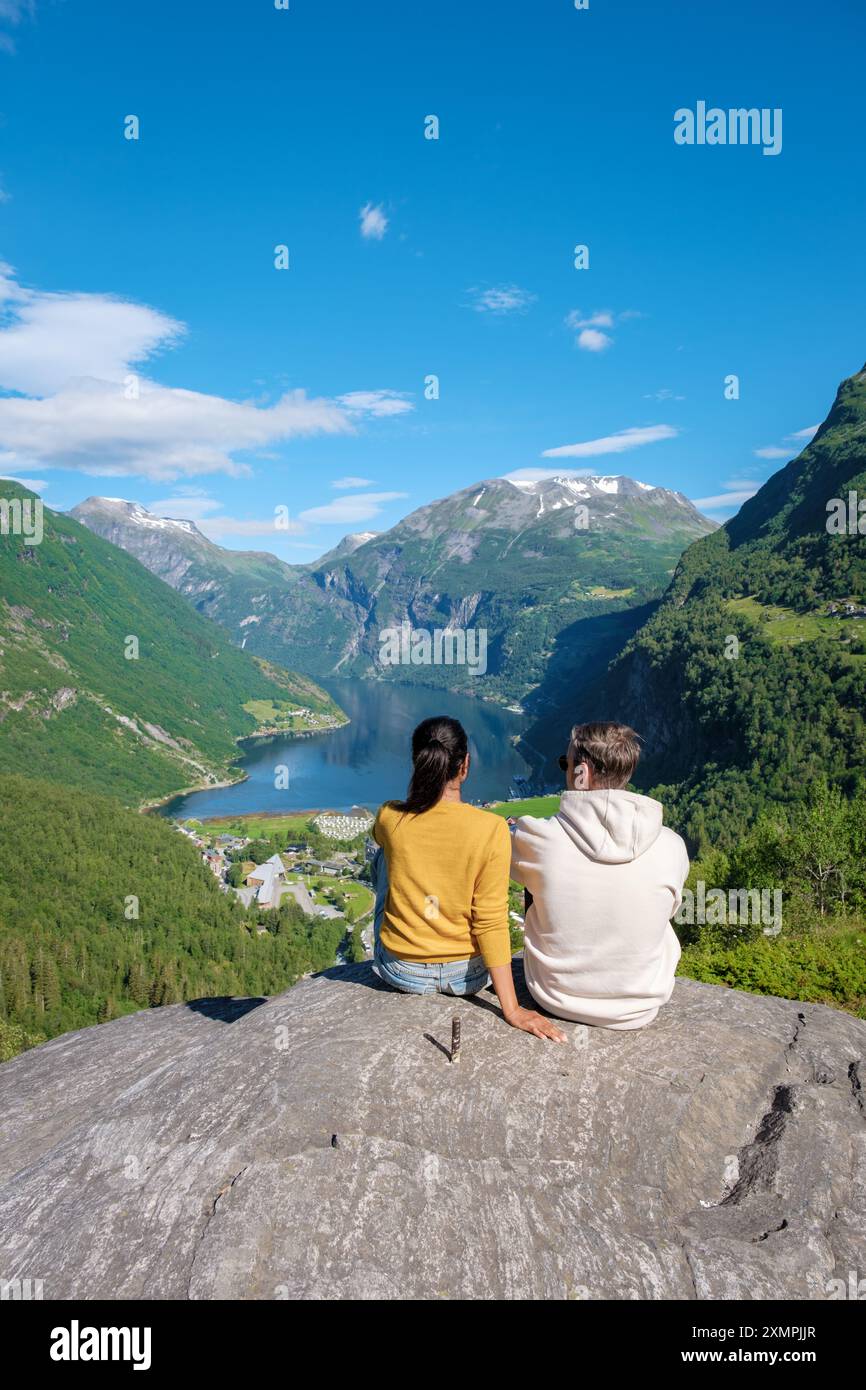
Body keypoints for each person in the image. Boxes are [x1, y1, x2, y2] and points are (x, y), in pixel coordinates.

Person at [371, 716, 566, 1042]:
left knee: (384, 856)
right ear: (465, 766)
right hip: (468, 976)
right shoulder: (491, 830)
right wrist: (512, 1009)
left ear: (418, 763)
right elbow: (490, 920)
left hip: (401, 970)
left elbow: (387, 839)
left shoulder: (390, 816)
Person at [510, 721, 689, 1030]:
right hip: (639, 1006)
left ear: (582, 772)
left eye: (565, 764)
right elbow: (669, 911)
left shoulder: (536, 838)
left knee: (535, 889)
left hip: (554, 996)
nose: (563, 770)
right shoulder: (672, 846)